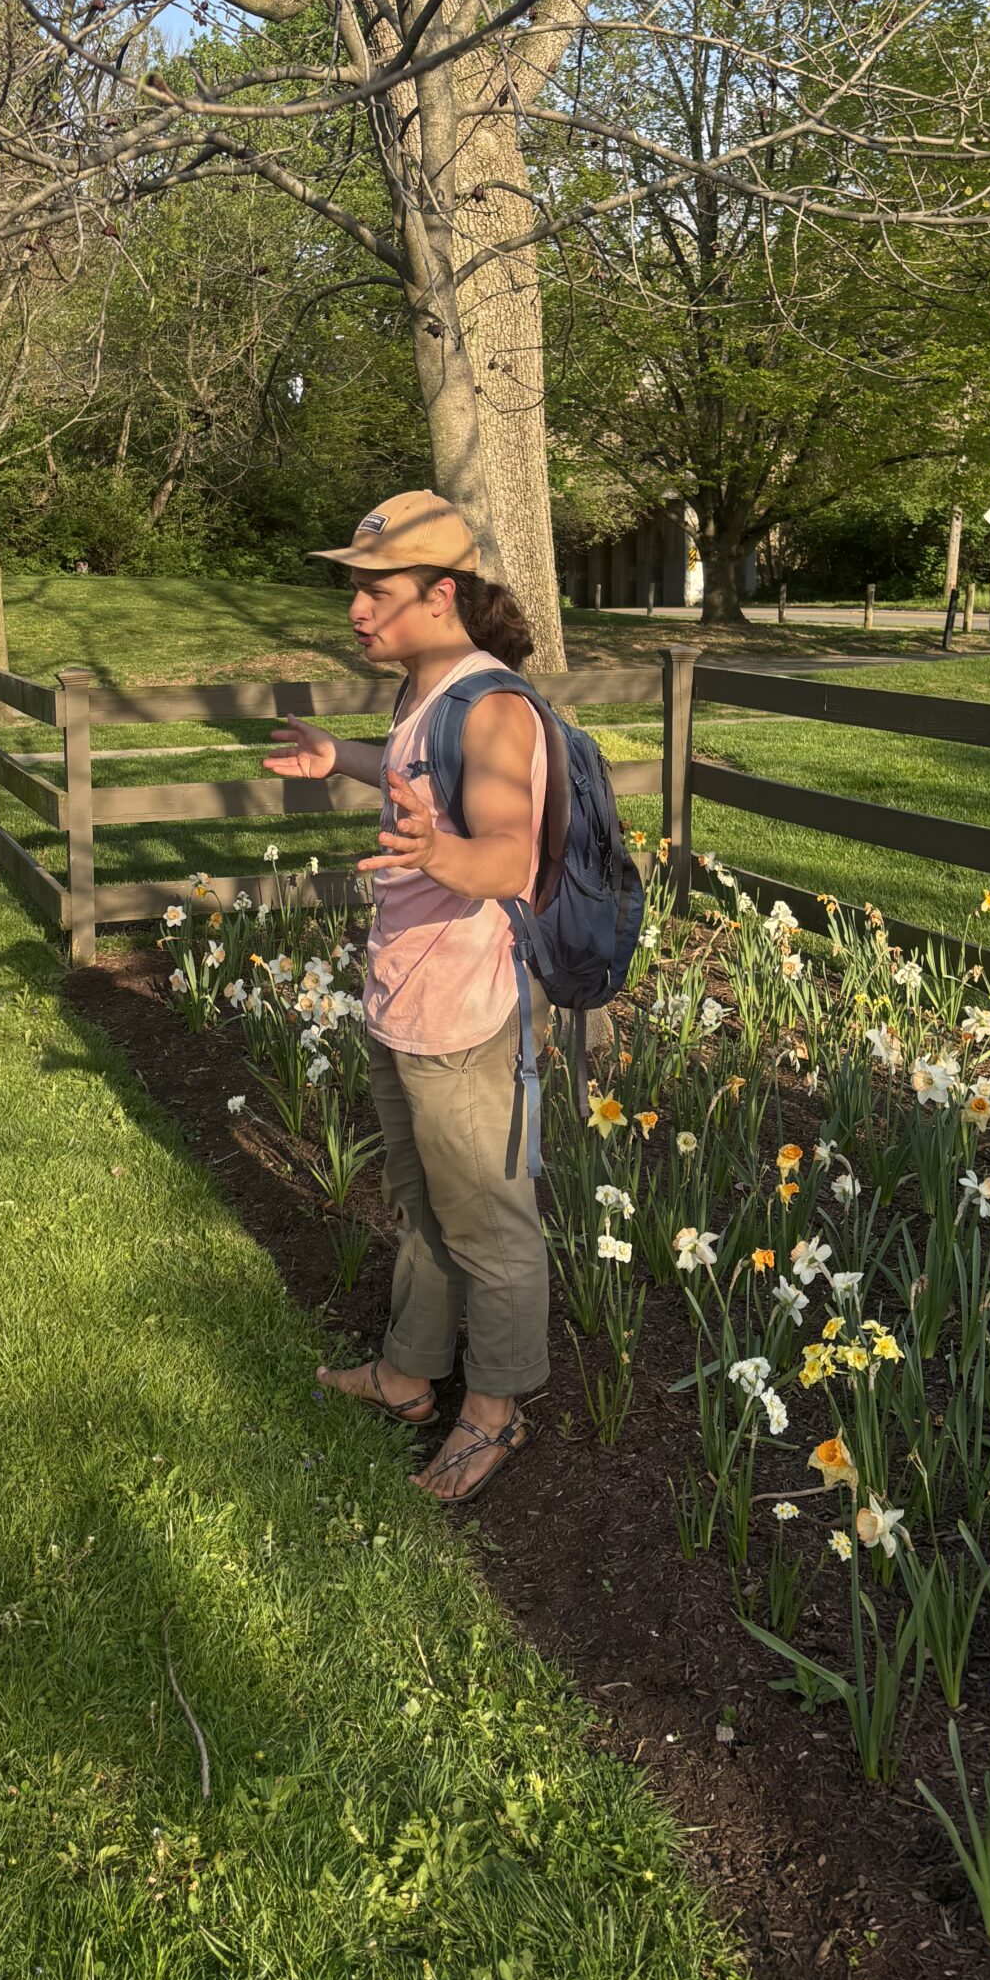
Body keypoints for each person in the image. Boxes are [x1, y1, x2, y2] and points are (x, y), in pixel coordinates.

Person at [265, 491, 548, 1505]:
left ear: (440, 593)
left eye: (375, 589)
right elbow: (415, 773)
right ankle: (410, 1374)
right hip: (407, 997)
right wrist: (339, 759)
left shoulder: (496, 706)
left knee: (488, 1222)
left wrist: (440, 851)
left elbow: (512, 854)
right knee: (425, 1209)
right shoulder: (425, 697)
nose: (357, 608)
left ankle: (498, 1408)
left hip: (466, 1012)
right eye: (355, 588)